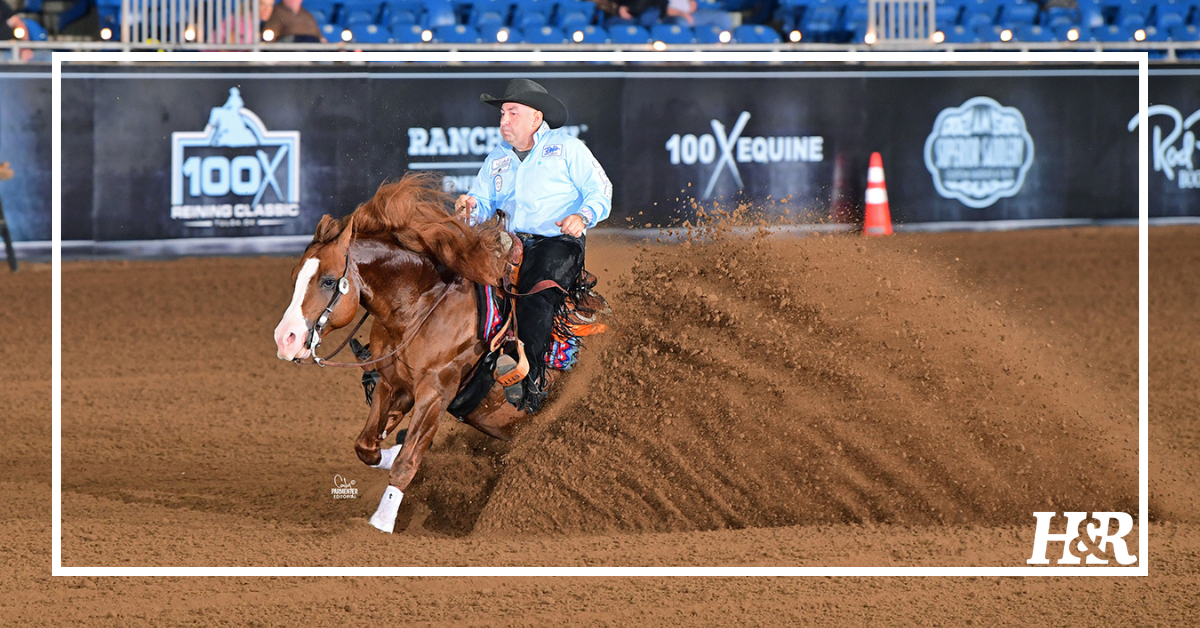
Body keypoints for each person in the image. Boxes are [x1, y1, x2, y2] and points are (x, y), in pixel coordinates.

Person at [455, 79, 612, 413]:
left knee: (536, 293)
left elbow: (600, 190)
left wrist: (582, 216)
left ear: (536, 118)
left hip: (558, 243)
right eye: (502, 113)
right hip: (508, 242)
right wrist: (471, 206)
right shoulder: (497, 158)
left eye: (513, 112)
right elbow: (483, 201)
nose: (504, 120)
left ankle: (532, 382)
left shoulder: (567, 148)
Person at [260, 0, 326, 43]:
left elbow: (319, 35)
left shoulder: (307, 14)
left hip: (312, 45)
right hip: (289, 46)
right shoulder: (276, 12)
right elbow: (269, 35)